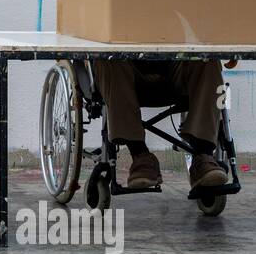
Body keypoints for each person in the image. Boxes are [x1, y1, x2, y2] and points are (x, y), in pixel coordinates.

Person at [91, 60, 230, 191]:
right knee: (108, 58)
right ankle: (140, 156)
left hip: (174, 67)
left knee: (208, 59)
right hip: (126, 71)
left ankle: (203, 155)